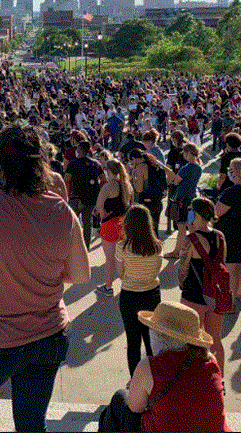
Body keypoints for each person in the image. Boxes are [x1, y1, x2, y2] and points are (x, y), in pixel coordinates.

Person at [0, 125, 90, 432]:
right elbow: (81, 274)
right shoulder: (62, 210)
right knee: (31, 424)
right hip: (50, 335)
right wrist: (42, 269)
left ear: (0, 166)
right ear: (42, 164)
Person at [100, 301, 230, 432]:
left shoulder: (149, 367)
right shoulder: (210, 361)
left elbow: (135, 408)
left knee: (120, 398)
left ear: (158, 336)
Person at [176, 198, 227, 376]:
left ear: (196, 215)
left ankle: (192, 378)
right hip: (216, 295)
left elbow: (183, 268)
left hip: (193, 294)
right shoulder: (220, 237)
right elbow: (222, 263)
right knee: (215, 340)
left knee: (191, 340)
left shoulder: (191, 240)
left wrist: (181, 284)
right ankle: (218, 378)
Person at [116, 205, 164, 377]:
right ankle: (153, 379)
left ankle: (135, 380)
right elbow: (156, 271)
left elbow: (120, 274)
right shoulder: (157, 246)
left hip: (129, 296)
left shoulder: (122, 247)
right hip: (151, 295)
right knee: (151, 341)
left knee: (133, 342)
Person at [214, 158, 241, 307]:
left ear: (237, 173)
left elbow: (217, 212)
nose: (229, 173)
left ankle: (229, 301)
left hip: (232, 232)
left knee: (230, 267)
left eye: (231, 170)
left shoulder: (232, 191)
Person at [95, 158, 132, 296]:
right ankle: (128, 286)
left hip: (110, 223)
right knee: (125, 256)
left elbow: (99, 205)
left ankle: (108, 287)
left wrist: (103, 215)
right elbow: (130, 204)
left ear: (109, 171)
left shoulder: (108, 186)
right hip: (124, 223)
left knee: (110, 259)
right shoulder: (127, 185)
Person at [163, 143, 202, 259]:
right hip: (192, 199)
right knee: (191, 227)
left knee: (181, 228)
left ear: (188, 153)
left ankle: (177, 252)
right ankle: (193, 251)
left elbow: (176, 182)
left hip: (182, 201)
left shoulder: (185, 168)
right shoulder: (199, 168)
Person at [65, 139, 103, 250]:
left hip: (76, 197)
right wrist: (98, 191)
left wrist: (68, 195)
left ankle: (71, 247)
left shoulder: (73, 163)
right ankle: (86, 247)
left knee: (72, 223)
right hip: (90, 198)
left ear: (80, 149)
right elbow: (103, 179)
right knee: (87, 224)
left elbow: (67, 179)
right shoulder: (95, 164)